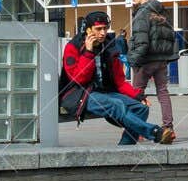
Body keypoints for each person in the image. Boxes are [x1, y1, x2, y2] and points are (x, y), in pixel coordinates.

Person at [61, 11, 175, 145]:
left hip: (105, 93)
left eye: (105, 28)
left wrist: (138, 96)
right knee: (116, 105)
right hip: (79, 95)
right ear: (87, 30)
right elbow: (78, 80)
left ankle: (125, 147)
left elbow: (119, 81)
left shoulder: (110, 46)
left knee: (140, 108)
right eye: (98, 29)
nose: (103, 33)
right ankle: (156, 133)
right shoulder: (73, 47)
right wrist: (88, 52)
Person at [129, 0, 178, 133]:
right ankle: (168, 127)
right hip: (161, 60)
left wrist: (134, 59)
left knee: (136, 93)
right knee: (163, 92)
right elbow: (170, 36)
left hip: (146, 59)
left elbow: (142, 40)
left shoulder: (142, 13)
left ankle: (136, 129)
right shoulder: (161, 12)